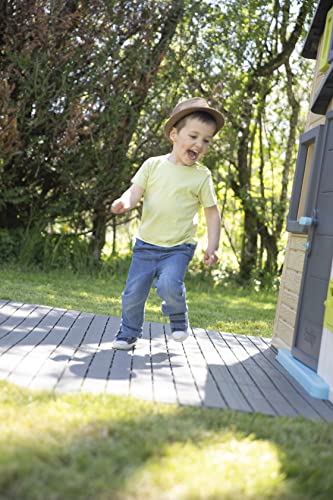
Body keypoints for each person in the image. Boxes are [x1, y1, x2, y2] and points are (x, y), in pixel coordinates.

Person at [111, 97, 224, 350]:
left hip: (178, 247)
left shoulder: (201, 176)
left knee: (169, 285)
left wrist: (213, 246)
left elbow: (212, 213)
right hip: (146, 246)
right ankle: (128, 333)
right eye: (193, 136)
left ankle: (178, 318)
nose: (199, 144)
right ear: (174, 134)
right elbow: (134, 192)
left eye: (206, 140)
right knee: (132, 294)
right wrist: (123, 202)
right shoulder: (152, 166)